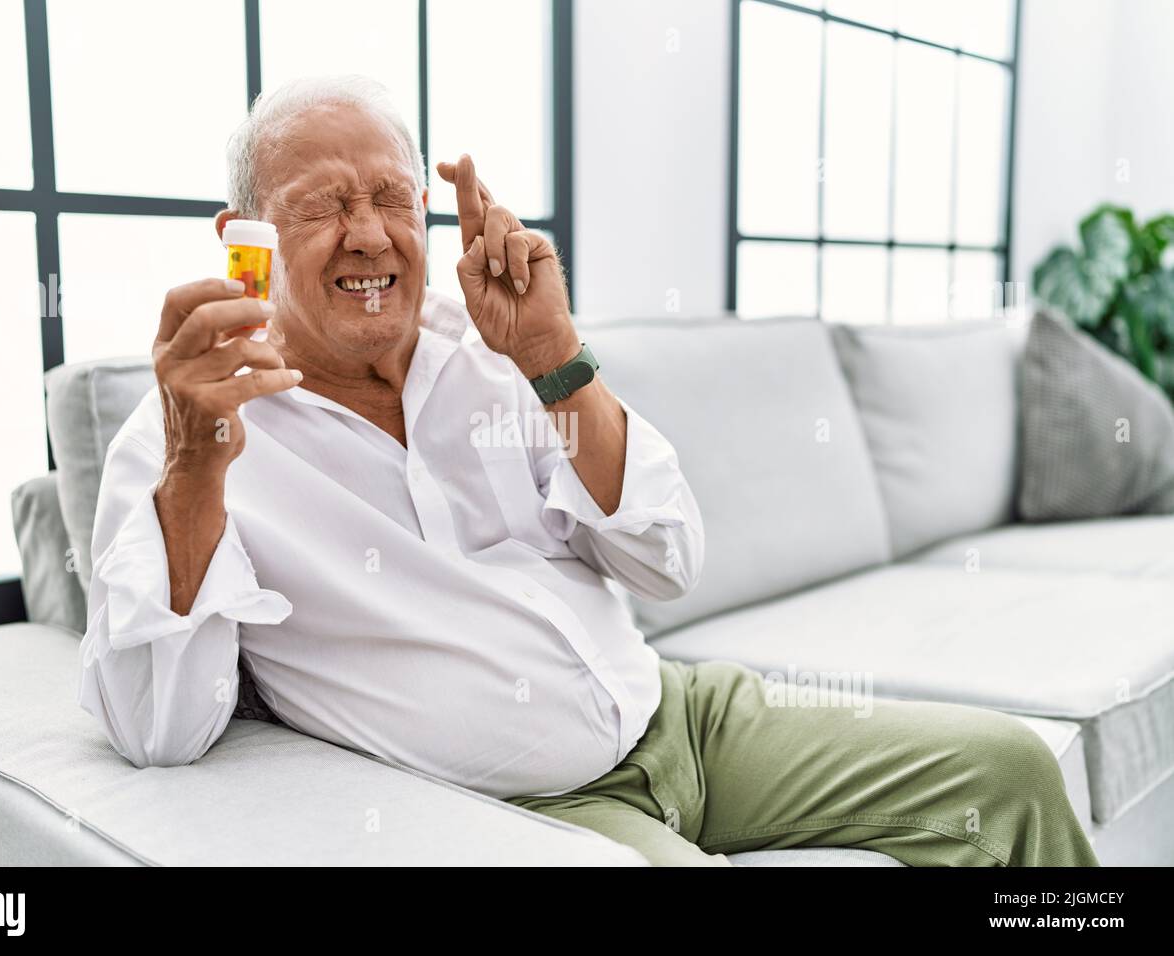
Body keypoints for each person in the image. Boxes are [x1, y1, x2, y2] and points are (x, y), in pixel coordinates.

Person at [78, 75, 1098, 867]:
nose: (368, 234)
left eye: (392, 196)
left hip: (686, 713)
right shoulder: (180, 434)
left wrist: (552, 356)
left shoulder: (495, 347)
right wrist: (197, 466)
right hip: (535, 806)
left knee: (1006, 770)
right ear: (242, 237)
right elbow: (158, 727)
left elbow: (665, 558)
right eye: (321, 205)